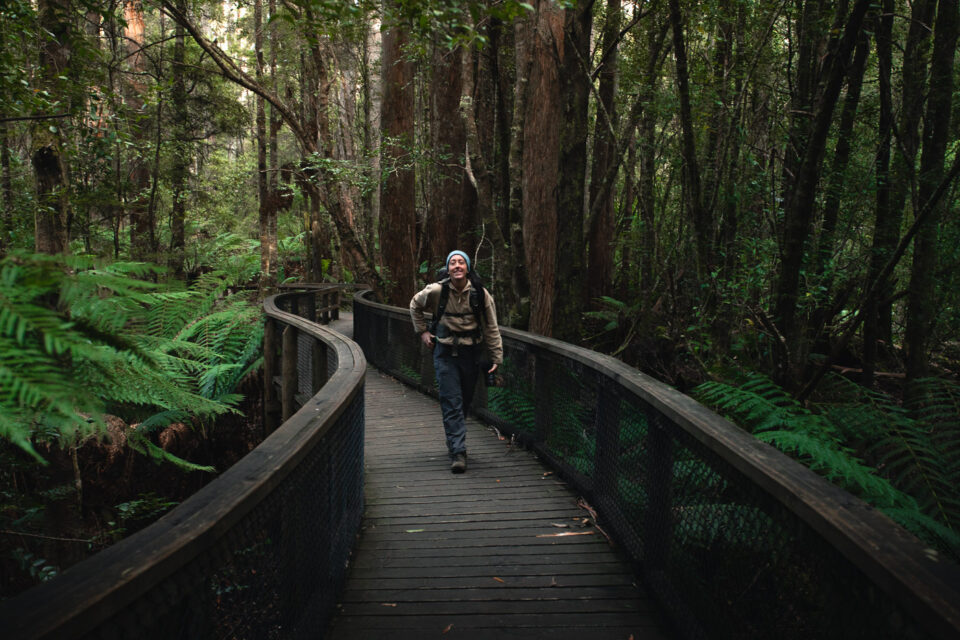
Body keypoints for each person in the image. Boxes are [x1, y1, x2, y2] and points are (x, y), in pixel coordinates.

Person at [410, 250, 503, 473]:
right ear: (448, 268)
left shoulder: (480, 294)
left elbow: (491, 326)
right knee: (451, 400)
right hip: (445, 352)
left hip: (471, 354)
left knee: (464, 401)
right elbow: (415, 305)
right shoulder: (436, 290)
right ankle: (458, 452)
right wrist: (422, 332)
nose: (457, 266)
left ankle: (453, 440)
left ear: (468, 268)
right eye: (453, 263)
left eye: (461, 262)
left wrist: (496, 356)